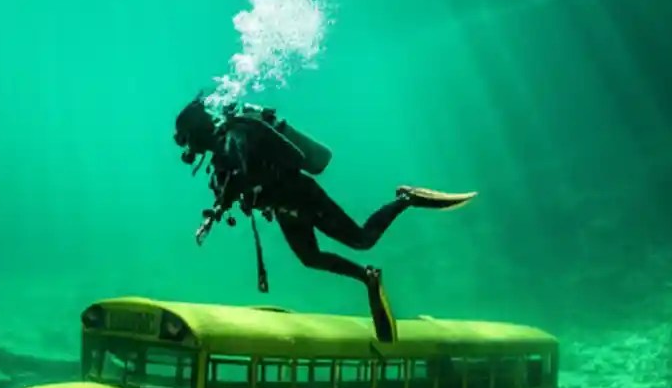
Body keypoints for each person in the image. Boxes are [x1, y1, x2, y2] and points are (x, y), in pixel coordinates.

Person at [173, 92, 477, 342]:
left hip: (301, 195)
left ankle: (407, 198)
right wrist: (215, 213)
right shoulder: (221, 153)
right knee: (310, 258)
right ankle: (366, 277)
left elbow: (245, 174)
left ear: (197, 130)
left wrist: (221, 206)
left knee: (362, 239)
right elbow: (234, 184)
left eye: (187, 139)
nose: (189, 148)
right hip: (284, 208)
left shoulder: (236, 133)